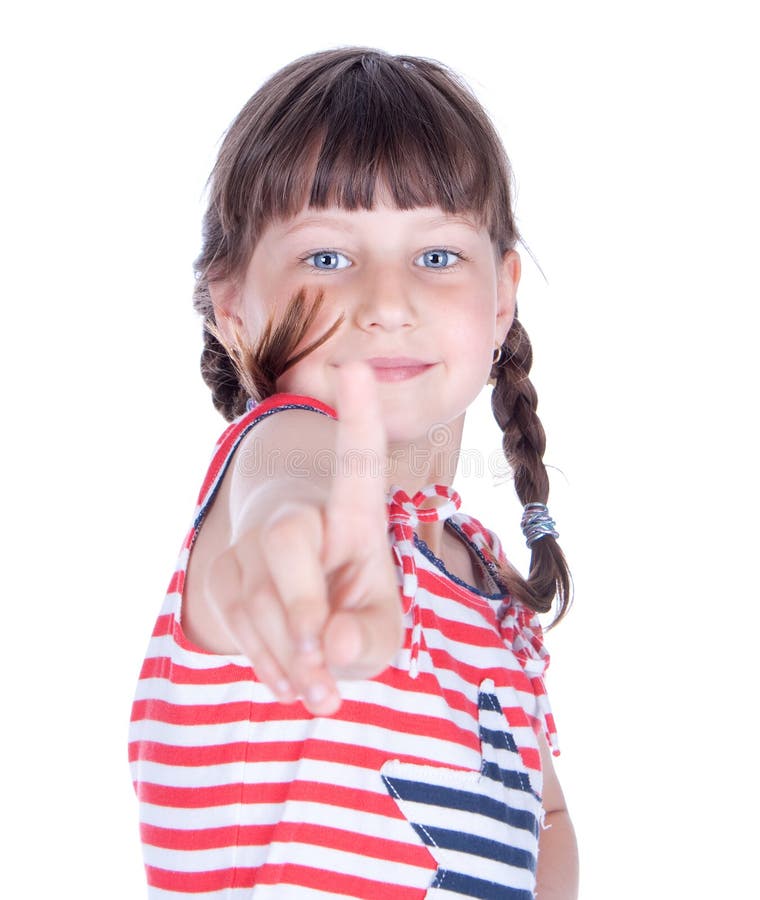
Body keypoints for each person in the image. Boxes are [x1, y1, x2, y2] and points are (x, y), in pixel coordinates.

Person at [129, 47, 579, 899]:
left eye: (437, 256)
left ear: (503, 296)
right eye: (328, 258)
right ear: (231, 304)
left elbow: (542, 821)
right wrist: (282, 536)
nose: (387, 301)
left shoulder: (484, 576)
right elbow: (284, 476)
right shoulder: (277, 459)